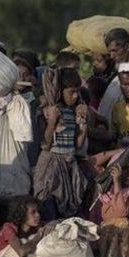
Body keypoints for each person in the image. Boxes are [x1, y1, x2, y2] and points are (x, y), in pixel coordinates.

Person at [33, 68, 89, 220]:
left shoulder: (72, 112)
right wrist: (52, 122)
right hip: (50, 168)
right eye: (71, 91)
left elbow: (77, 146)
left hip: (69, 166)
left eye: (78, 91)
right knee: (50, 213)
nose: (76, 95)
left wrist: (83, 125)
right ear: (60, 90)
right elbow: (45, 145)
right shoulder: (48, 111)